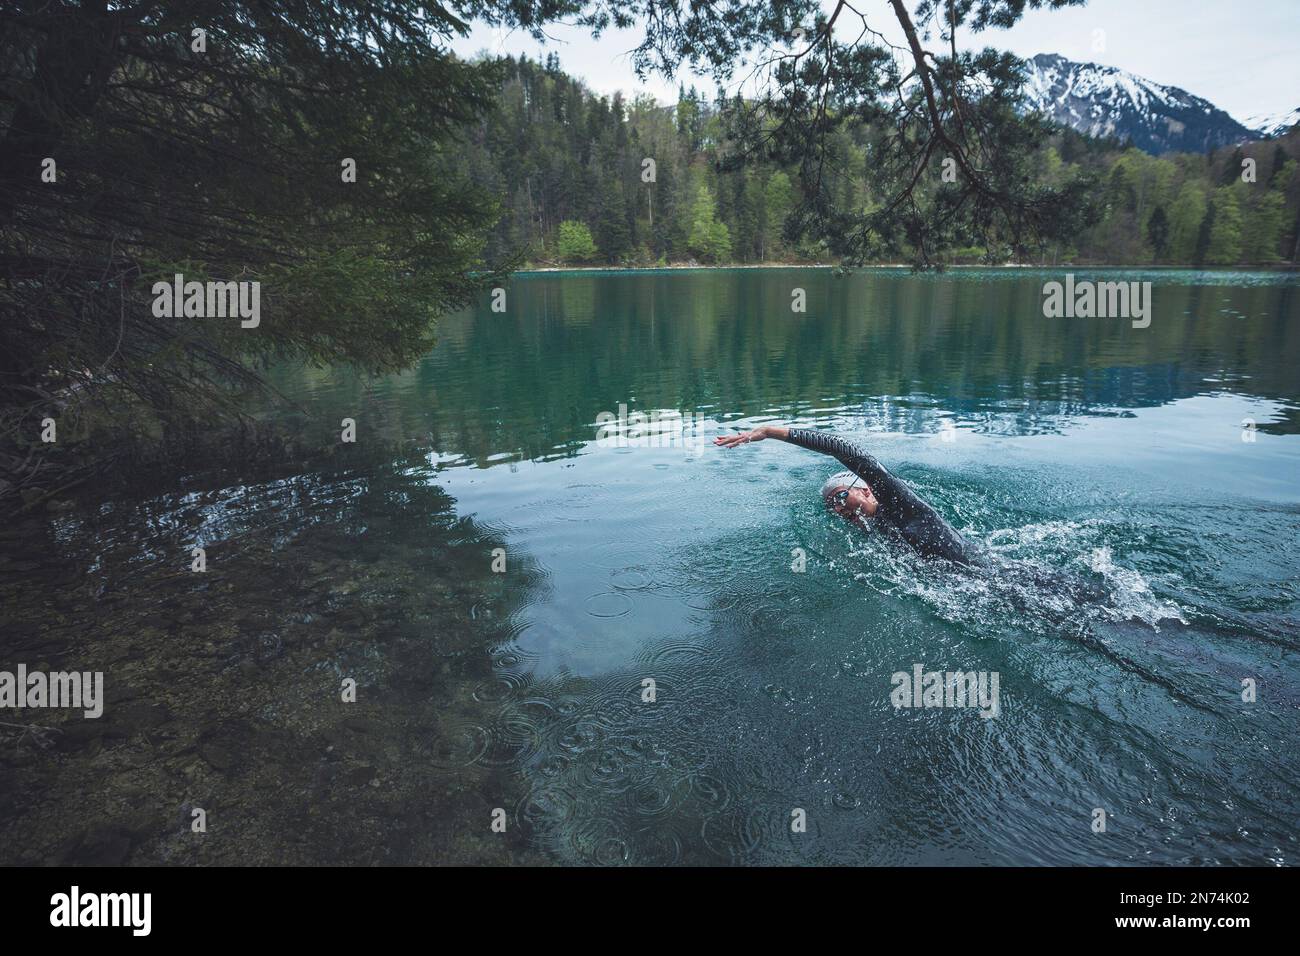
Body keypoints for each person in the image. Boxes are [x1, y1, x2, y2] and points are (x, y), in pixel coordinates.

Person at [714, 424, 974, 564]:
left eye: (840, 497)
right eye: (832, 507)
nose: (838, 509)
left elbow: (847, 451)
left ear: (867, 490)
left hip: (992, 580)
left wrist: (772, 432)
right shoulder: (876, 534)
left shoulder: (901, 504)